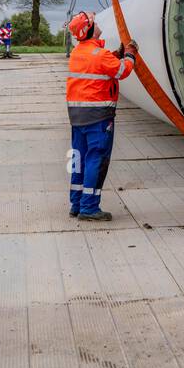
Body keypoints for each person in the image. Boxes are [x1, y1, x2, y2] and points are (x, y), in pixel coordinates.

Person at [65, 12, 137, 222]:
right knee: (96, 159)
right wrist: (130, 54)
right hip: (98, 117)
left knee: (78, 158)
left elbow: (98, 66)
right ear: (88, 30)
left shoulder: (78, 53)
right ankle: (89, 208)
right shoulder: (99, 54)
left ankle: (76, 204)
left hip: (77, 117)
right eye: (93, 23)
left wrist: (115, 54)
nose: (97, 24)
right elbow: (122, 71)